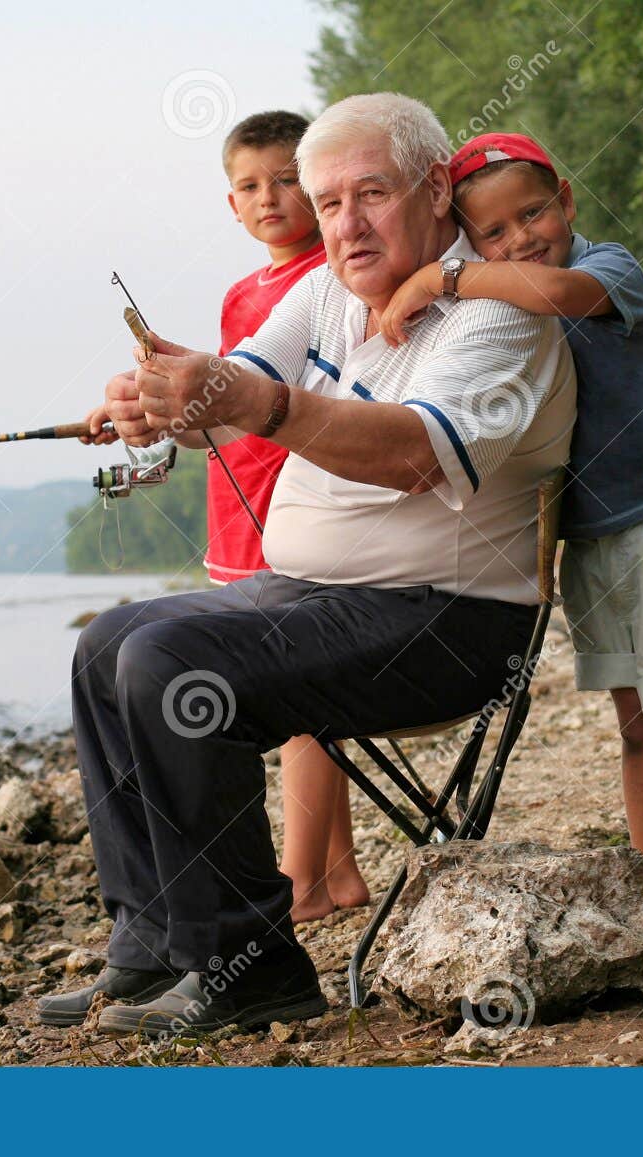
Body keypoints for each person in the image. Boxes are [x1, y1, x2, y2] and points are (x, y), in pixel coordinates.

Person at [36, 94, 575, 1035]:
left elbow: (413, 452)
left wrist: (258, 404)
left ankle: (252, 970)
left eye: (371, 193)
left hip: (447, 619)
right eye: (329, 203)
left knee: (171, 663)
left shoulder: (498, 312)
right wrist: (161, 399)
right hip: (322, 597)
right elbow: (231, 387)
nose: (346, 223)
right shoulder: (326, 290)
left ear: (438, 191)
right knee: (108, 642)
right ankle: (154, 942)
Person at [380, 131, 643, 957]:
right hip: (594, 539)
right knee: (637, 728)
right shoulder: (495, 315)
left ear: (568, 202)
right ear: (472, 237)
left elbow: (555, 289)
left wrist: (439, 275)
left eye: (534, 212)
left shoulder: (605, 268)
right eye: (493, 232)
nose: (520, 237)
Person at [211, 110, 370, 924]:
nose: (269, 197)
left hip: (297, 507)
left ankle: (299, 877)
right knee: (301, 698)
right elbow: (224, 394)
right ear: (229, 204)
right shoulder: (242, 293)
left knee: (300, 695)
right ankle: (339, 871)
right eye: (249, 186)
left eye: (284, 180)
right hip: (234, 510)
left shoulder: (334, 277)